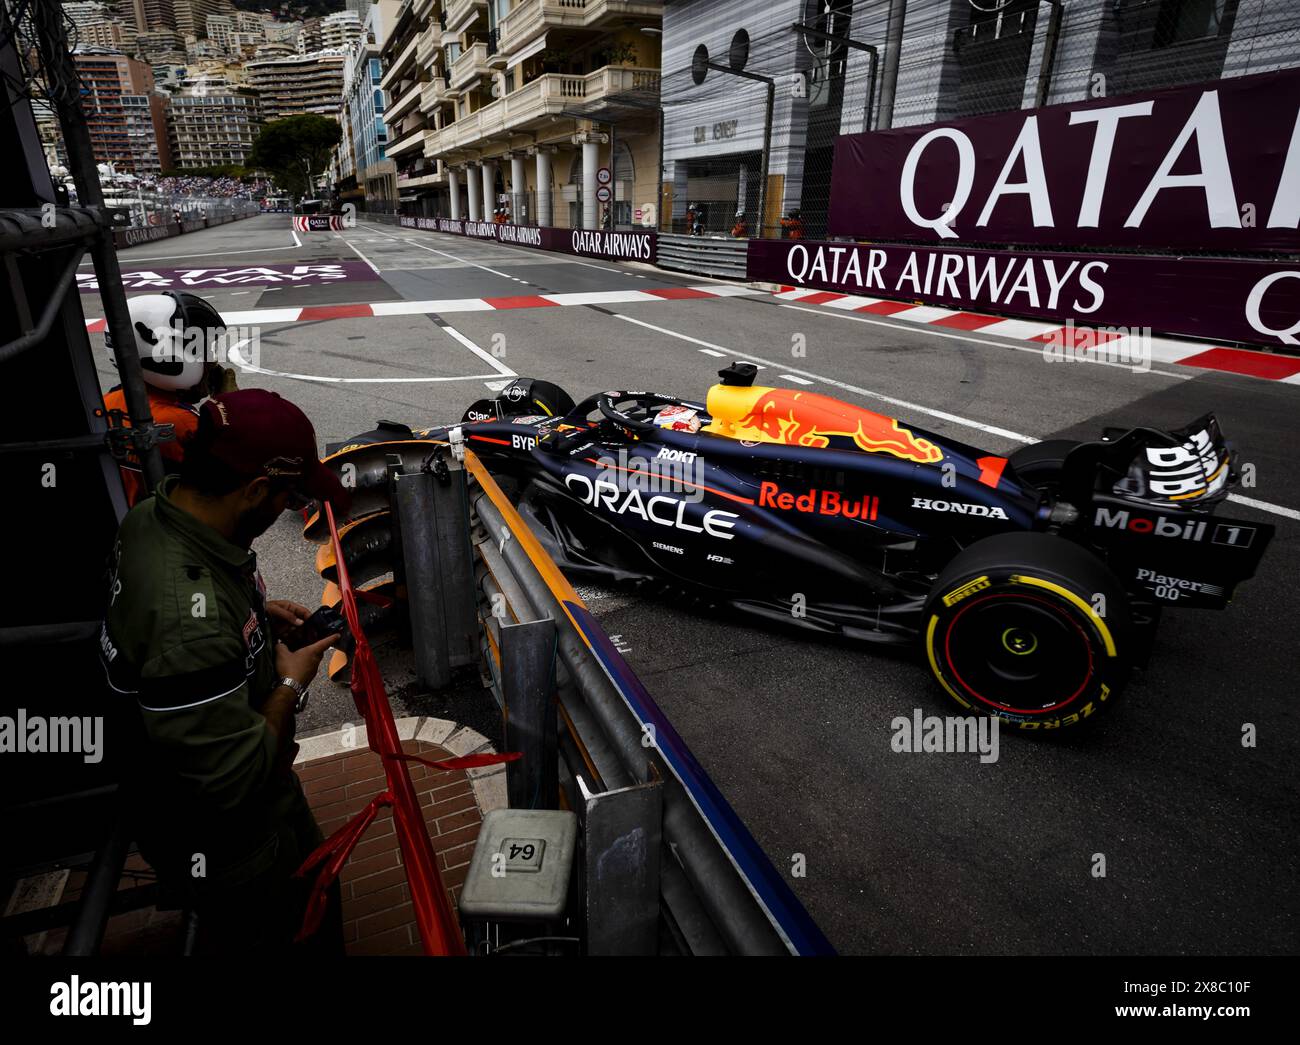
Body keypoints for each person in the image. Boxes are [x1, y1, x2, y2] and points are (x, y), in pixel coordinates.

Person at [101, 389, 351, 955]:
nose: (288, 511)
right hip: (232, 840)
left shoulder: (152, 517)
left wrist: (253, 612)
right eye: (289, 498)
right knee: (299, 922)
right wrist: (290, 682)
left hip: (197, 789)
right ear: (257, 490)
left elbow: (180, 611)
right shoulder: (190, 621)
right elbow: (233, 781)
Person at [103, 292, 239, 507]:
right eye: (199, 350)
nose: (211, 361)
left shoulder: (108, 401)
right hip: (168, 527)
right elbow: (238, 470)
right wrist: (230, 407)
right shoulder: (181, 422)